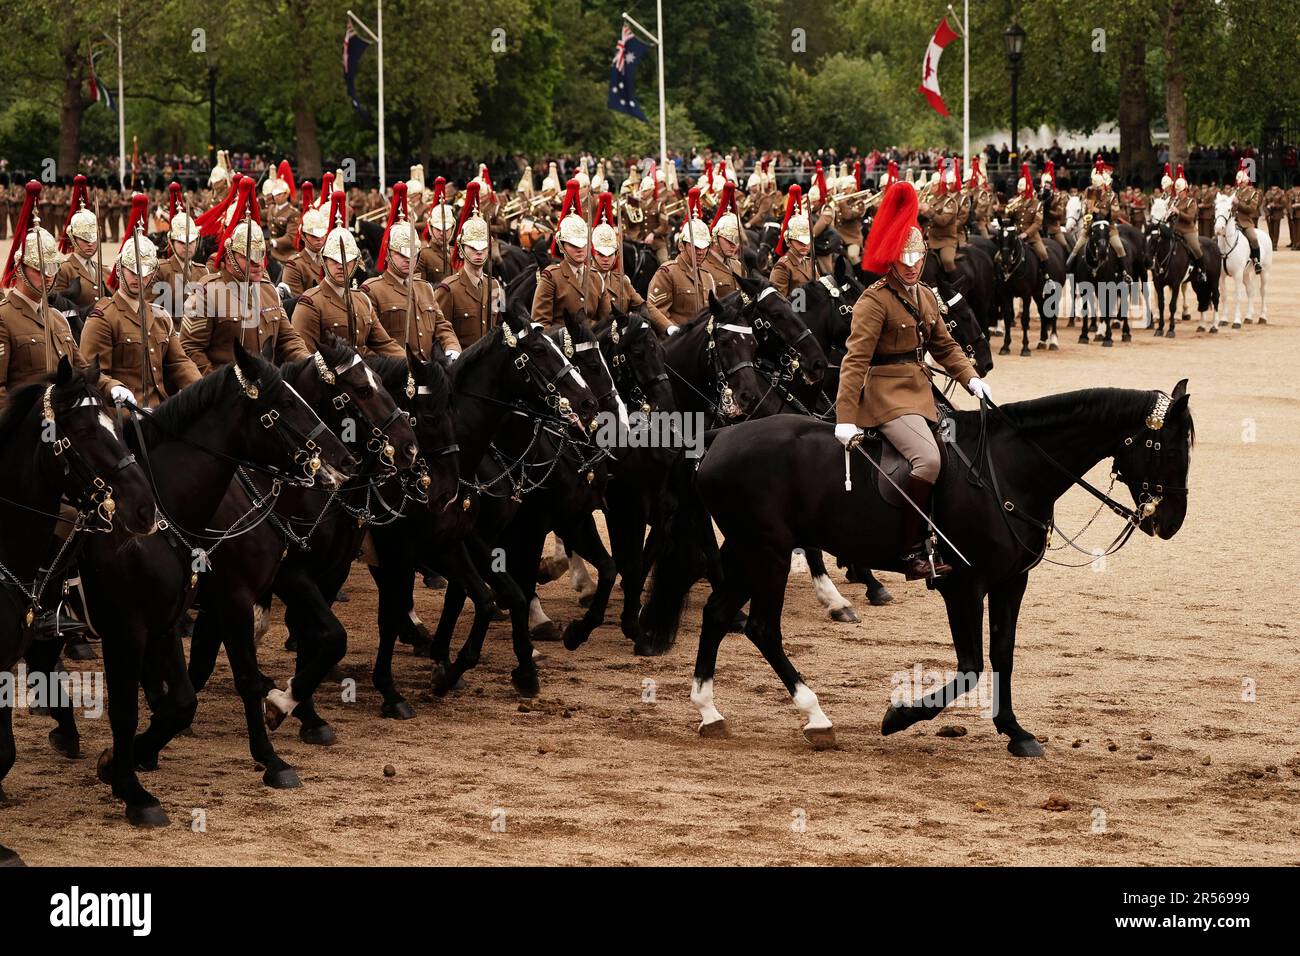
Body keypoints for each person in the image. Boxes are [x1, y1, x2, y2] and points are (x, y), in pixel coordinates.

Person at [834, 182, 990, 583]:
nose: (912, 264)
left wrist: (972, 380)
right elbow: (855, 361)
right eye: (904, 257)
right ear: (891, 257)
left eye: (917, 257)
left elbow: (946, 345)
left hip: (920, 389)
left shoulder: (925, 295)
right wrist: (844, 417)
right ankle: (909, 550)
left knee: (963, 451)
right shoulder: (874, 300)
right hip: (886, 394)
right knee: (929, 460)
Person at [180, 177, 312, 374]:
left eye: (261, 256)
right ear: (230, 255)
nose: (258, 263)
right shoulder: (206, 292)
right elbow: (190, 348)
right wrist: (218, 384)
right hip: (226, 393)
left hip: (268, 386)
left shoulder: (269, 290)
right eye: (248, 258)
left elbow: (288, 339)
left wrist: (310, 362)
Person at [80, 229, 201, 408]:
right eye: (133, 271)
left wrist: (203, 387)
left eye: (146, 273)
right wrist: (112, 387)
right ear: (121, 269)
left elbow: (179, 362)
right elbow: (90, 372)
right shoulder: (103, 318)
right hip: (123, 415)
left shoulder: (160, 316)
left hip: (159, 411)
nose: (140, 278)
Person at [292, 190, 404, 357]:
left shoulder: (363, 300)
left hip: (363, 376)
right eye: (335, 261)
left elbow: (385, 345)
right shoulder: (310, 303)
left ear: (356, 262)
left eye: (347, 261)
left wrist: (413, 367)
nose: (341, 266)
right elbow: (302, 357)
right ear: (324, 261)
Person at [361, 182, 461, 363]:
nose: (409, 259)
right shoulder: (371, 291)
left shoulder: (425, 288)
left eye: (413, 254)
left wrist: (452, 348)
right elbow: (367, 345)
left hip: (430, 372)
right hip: (394, 376)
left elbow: (442, 326)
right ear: (389, 253)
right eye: (402, 254)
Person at [431, 181, 503, 349]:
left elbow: (501, 323)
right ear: (461, 250)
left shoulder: (495, 286)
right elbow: (438, 333)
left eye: (483, 247)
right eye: (472, 247)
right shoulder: (448, 289)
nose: (479, 252)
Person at [532, 178, 610, 329]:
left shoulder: (596, 277)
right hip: (562, 348)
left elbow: (606, 321)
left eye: (583, 243)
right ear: (561, 246)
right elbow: (540, 325)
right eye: (573, 244)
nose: (580, 248)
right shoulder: (551, 276)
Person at [645, 187, 715, 337]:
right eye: (695, 247)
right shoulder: (668, 272)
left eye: (705, 247)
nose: (701, 252)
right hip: (676, 343)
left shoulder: (708, 276)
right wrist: (671, 328)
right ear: (681, 245)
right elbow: (653, 307)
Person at [1066, 157, 1130, 281]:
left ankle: (1124, 273)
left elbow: (1116, 214)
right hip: (1091, 226)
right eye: (1096, 186)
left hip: (1108, 227)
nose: (1097, 189)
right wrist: (1087, 209)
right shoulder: (1090, 192)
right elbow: (1085, 211)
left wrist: (1099, 211)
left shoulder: (1112, 196)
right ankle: (1069, 268)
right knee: (1077, 245)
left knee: (1119, 247)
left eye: (1099, 187)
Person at [51, 174, 103, 312]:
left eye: (93, 239)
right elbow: (58, 308)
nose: (90, 244)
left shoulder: (103, 269)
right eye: (84, 240)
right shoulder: (63, 269)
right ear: (73, 238)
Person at [590, 193, 643, 314]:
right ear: (593, 253)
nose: (606, 259)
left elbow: (641, 305)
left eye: (610, 255)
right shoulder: (583, 280)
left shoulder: (622, 280)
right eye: (601, 255)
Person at [768, 184, 813, 296]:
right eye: (800, 241)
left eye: (807, 241)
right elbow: (779, 303)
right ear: (789, 241)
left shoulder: (810, 262)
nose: (805, 245)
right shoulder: (783, 267)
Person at [700, 181, 743, 300]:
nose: (734, 245)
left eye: (735, 240)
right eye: (729, 240)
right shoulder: (703, 266)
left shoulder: (737, 265)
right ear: (715, 238)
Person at [1169, 166, 1207, 283]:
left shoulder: (1192, 202)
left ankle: (1203, 270)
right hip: (1176, 231)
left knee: (1196, 248)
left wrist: (1177, 212)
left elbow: (1190, 218)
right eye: (1177, 191)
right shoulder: (1175, 201)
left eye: (1179, 191)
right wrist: (1169, 214)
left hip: (1188, 231)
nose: (1178, 193)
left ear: (1185, 190)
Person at [1232, 159, 1264, 273]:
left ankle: (1257, 262)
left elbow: (1251, 209)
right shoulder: (1234, 191)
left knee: (1253, 239)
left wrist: (1238, 204)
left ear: (1246, 181)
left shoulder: (1253, 193)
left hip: (1245, 222)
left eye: (1241, 183)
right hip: (1233, 222)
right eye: (1238, 183)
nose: (1239, 185)